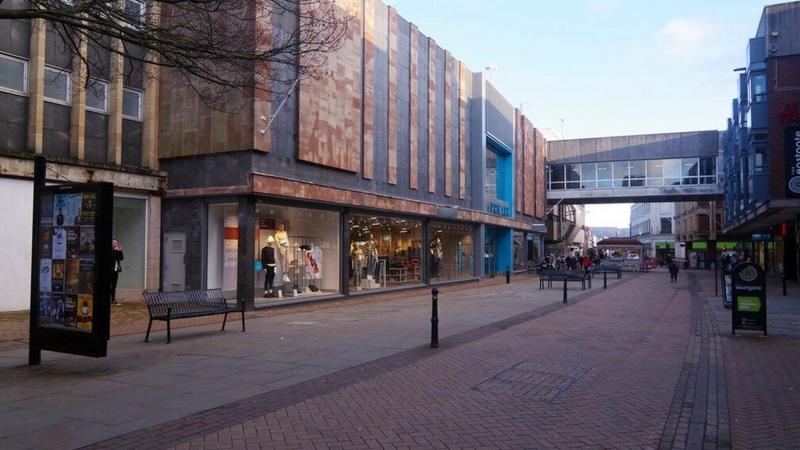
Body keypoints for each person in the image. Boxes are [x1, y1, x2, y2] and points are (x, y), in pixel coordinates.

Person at [111, 238, 124, 305]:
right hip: (110, 271)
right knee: (109, 286)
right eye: (114, 242)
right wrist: (115, 251)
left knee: (114, 286)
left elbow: (121, 258)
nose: (116, 244)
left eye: (117, 243)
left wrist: (120, 251)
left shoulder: (117, 251)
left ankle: (113, 300)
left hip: (116, 270)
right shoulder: (111, 250)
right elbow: (112, 258)